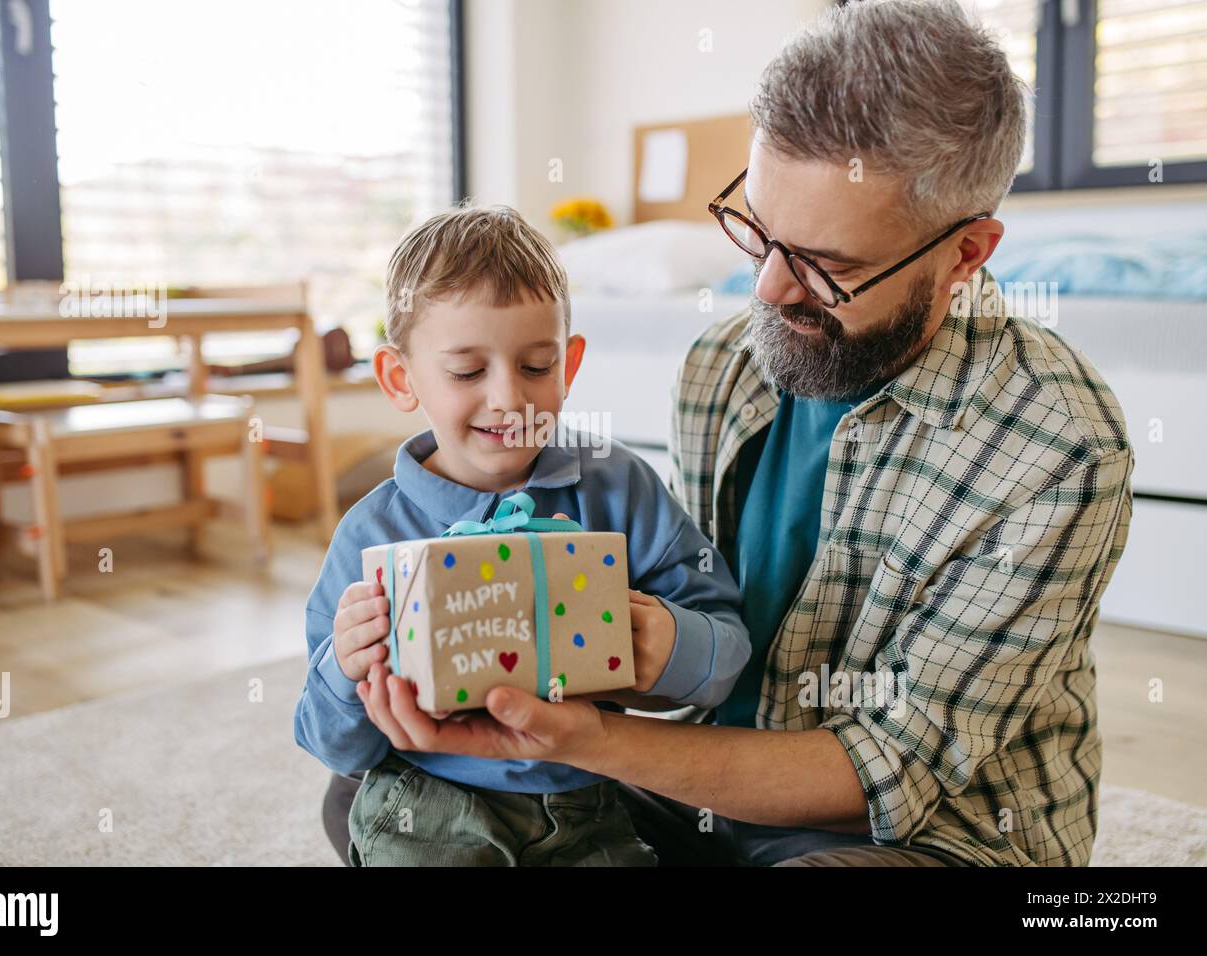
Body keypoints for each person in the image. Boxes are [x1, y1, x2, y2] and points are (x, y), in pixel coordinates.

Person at [330, 0, 1133, 867]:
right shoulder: (726, 363)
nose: (770, 291)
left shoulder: (1058, 445)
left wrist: (580, 742)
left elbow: (888, 775)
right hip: (704, 789)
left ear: (967, 254)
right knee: (389, 797)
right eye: (756, 231)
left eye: (828, 266)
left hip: (922, 831)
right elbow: (694, 626)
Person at [293, 204, 751, 866]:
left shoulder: (618, 486)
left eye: (536, 366)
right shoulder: (372, 531)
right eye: (468, 372)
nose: (509, 398)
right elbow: (332, 744)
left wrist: (670, 643)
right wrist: (345, 666)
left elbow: (727, 649)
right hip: (428, 799)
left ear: (569, 364)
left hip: (588, 795)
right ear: (401, 378)